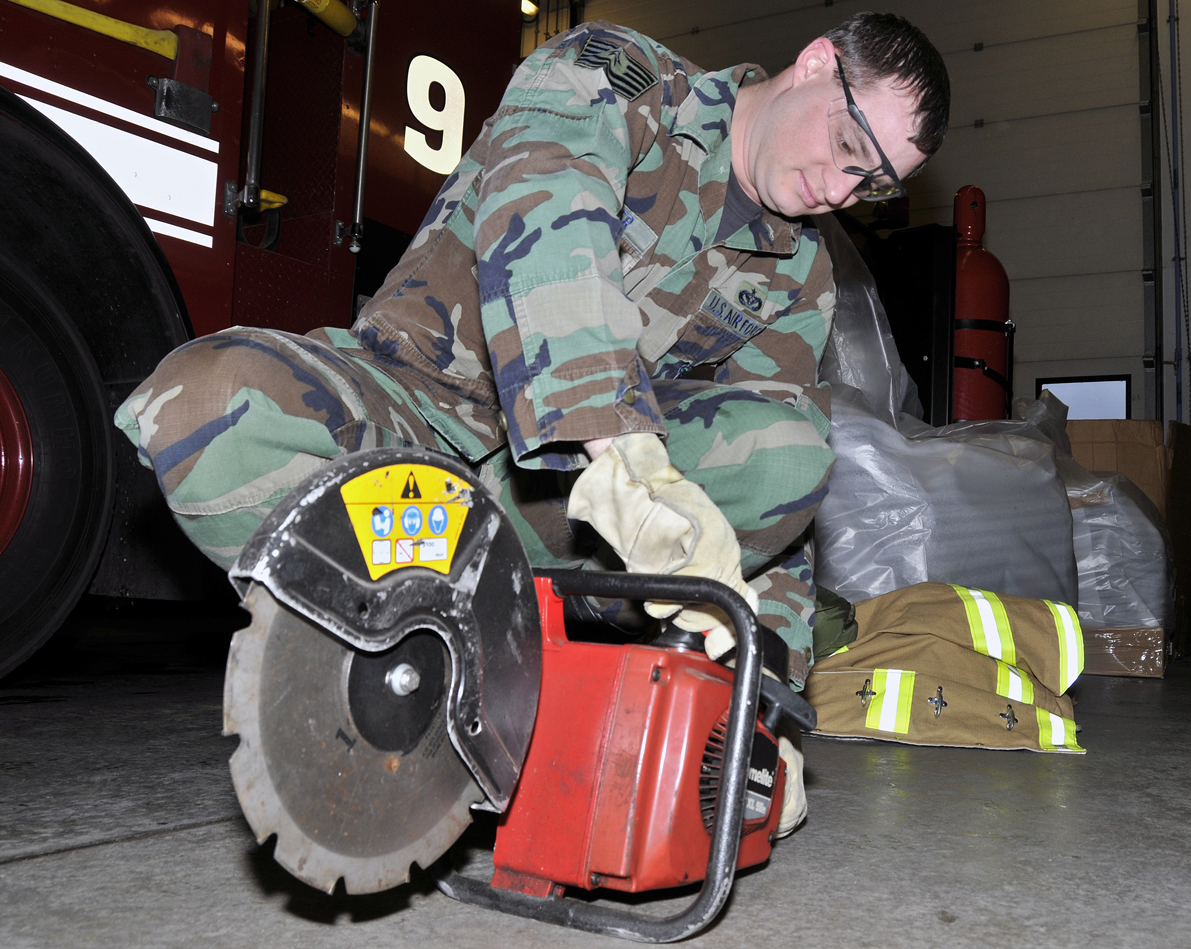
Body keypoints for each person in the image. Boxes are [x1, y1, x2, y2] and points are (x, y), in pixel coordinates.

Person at [115, 13, 950, 836]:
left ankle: (484, 629)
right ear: (812, 64)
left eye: (872, 187)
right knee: (204, 404)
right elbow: (549, 199)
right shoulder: (617, 75)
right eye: (849, 150)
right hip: (414, 404)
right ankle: (438, 635)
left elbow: (778, 515)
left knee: (788, 456)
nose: (842, 190)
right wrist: (621, 444)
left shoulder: (798, 273)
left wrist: (760, 707)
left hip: (555, 510)